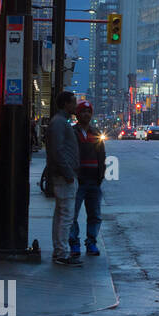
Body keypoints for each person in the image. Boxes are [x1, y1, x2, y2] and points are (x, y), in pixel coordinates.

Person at [46, 91, 82, 266]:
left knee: (61, 215)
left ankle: (59, 250)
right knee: (66, 216)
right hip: (64, 175)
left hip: (63, 174)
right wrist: (68, 173)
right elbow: (57, 150)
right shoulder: (60, 123)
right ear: (66, 104)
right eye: (73, 102)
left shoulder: (60, 121)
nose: (76, 106)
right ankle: (62, 252)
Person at [68, 101, 107, 257]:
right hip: (77, 180)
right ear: (77, 114)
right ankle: (74, 244)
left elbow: (101, 156)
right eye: (83, 111)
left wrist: (101, 175)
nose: (86, 114)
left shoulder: (96, 132)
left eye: (88, 112)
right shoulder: (72, 132)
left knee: (95, 215)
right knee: (72, 215)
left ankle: (91, 242)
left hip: (93, 181)